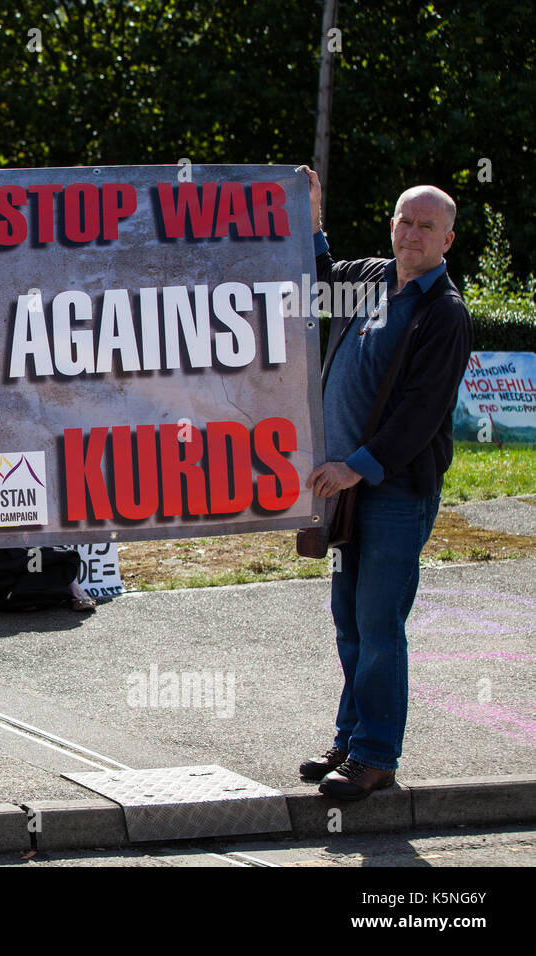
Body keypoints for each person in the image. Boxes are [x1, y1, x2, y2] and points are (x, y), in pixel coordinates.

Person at [297, 166, 473, 800]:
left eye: (428, 226)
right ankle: (350, 741)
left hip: (394, 495)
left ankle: (375, 759)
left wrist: (355, 466)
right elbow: (318, 288)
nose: (414, 234)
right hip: (348, 495)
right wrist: (313, 221)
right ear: (392, 224)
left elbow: (420, 417)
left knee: (377, 625)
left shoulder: (444, 313)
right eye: (406, 220)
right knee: (349, 621)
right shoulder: (372, 278)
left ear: (447, 240)